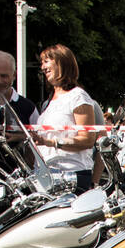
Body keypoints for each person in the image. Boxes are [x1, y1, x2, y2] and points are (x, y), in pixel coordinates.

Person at [31, 43, 100, 190]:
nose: (43, 67)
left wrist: (50, 142)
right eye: (41, 63)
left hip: (71, 176)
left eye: (46, 62)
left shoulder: (78, 96)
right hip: (48, 176)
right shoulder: (48, 103)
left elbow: (87, 139)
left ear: (62, 62)